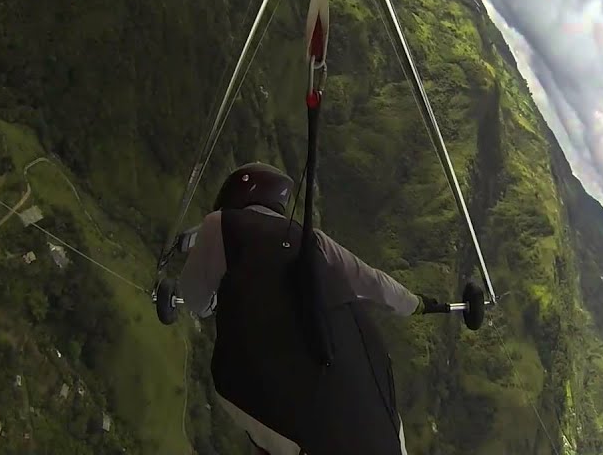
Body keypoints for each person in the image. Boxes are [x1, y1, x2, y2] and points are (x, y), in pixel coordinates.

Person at [176, 161, 441, 455]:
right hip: (378, 409)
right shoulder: (312, 239)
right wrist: (418, 305)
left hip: (307, 420)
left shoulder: (220, 223)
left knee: (245, 392)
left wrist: (218, 300)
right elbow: (377, 284)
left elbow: (195, 299)